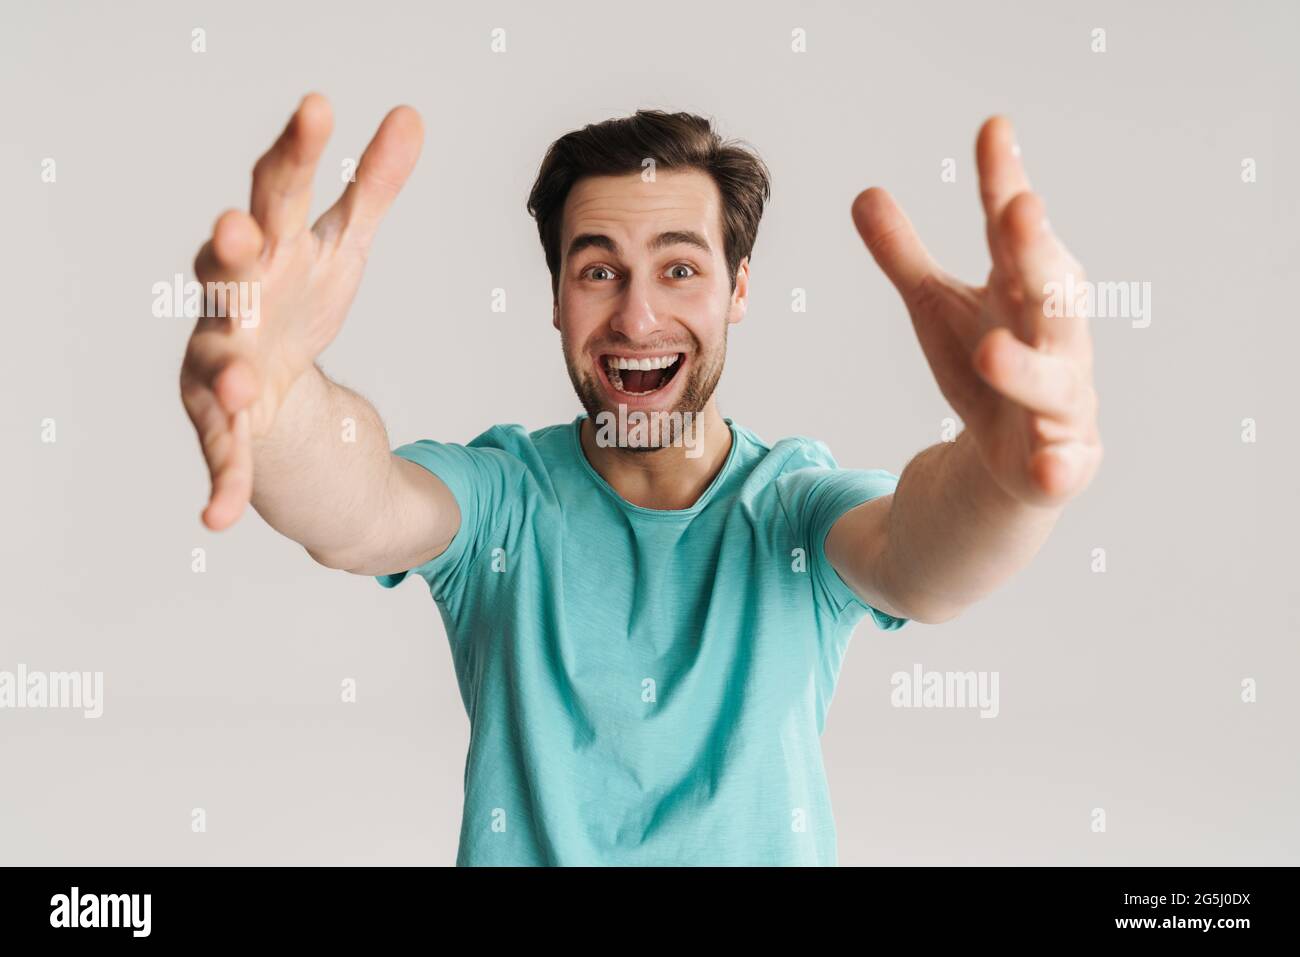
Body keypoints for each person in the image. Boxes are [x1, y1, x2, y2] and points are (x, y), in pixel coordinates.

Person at [179, 94, 1102, 865]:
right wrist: (281, 398)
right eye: (598, 270)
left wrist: (1009, 475)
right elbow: (360, 503)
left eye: (680, 267)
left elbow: (922, 555)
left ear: (739, 290)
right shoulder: (505, 496)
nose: (638, 313)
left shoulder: (796, 507)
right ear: (555, 299)